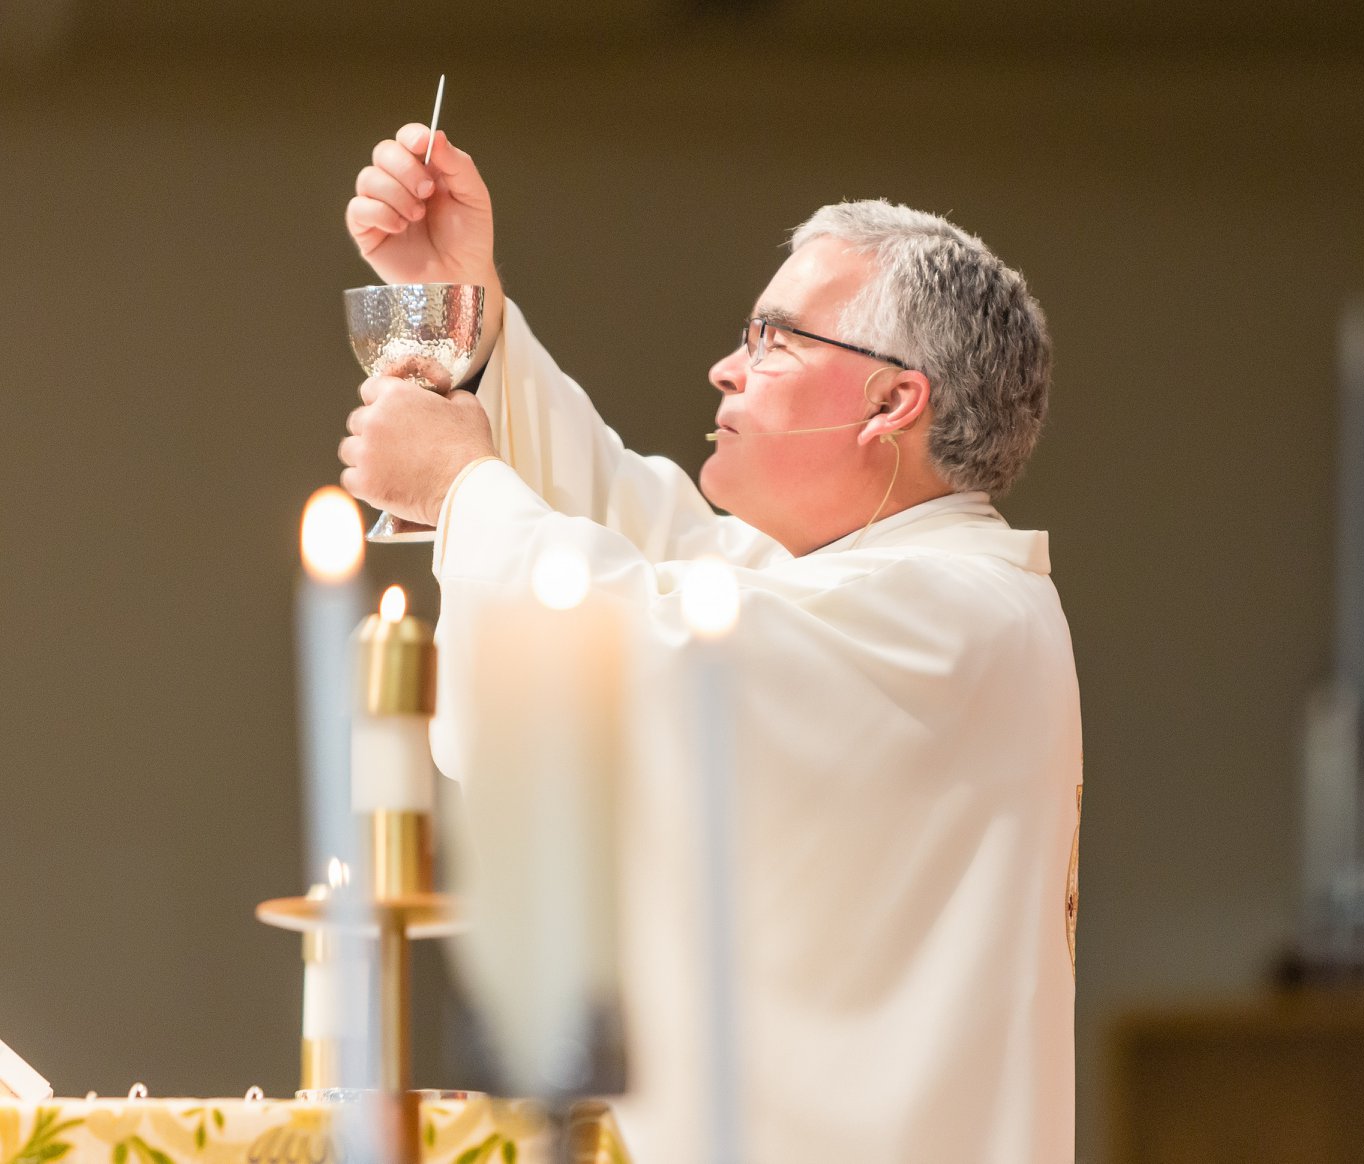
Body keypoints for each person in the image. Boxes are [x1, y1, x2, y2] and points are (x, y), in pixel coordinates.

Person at [338, 122, 1082, 1163]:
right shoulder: (876, 590)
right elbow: (657, 550)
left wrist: (463, 489)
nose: (727, 367)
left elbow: (651, 654)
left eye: (775, 339)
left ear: (892, 401)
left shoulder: (956, 618)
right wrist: (470, 312)